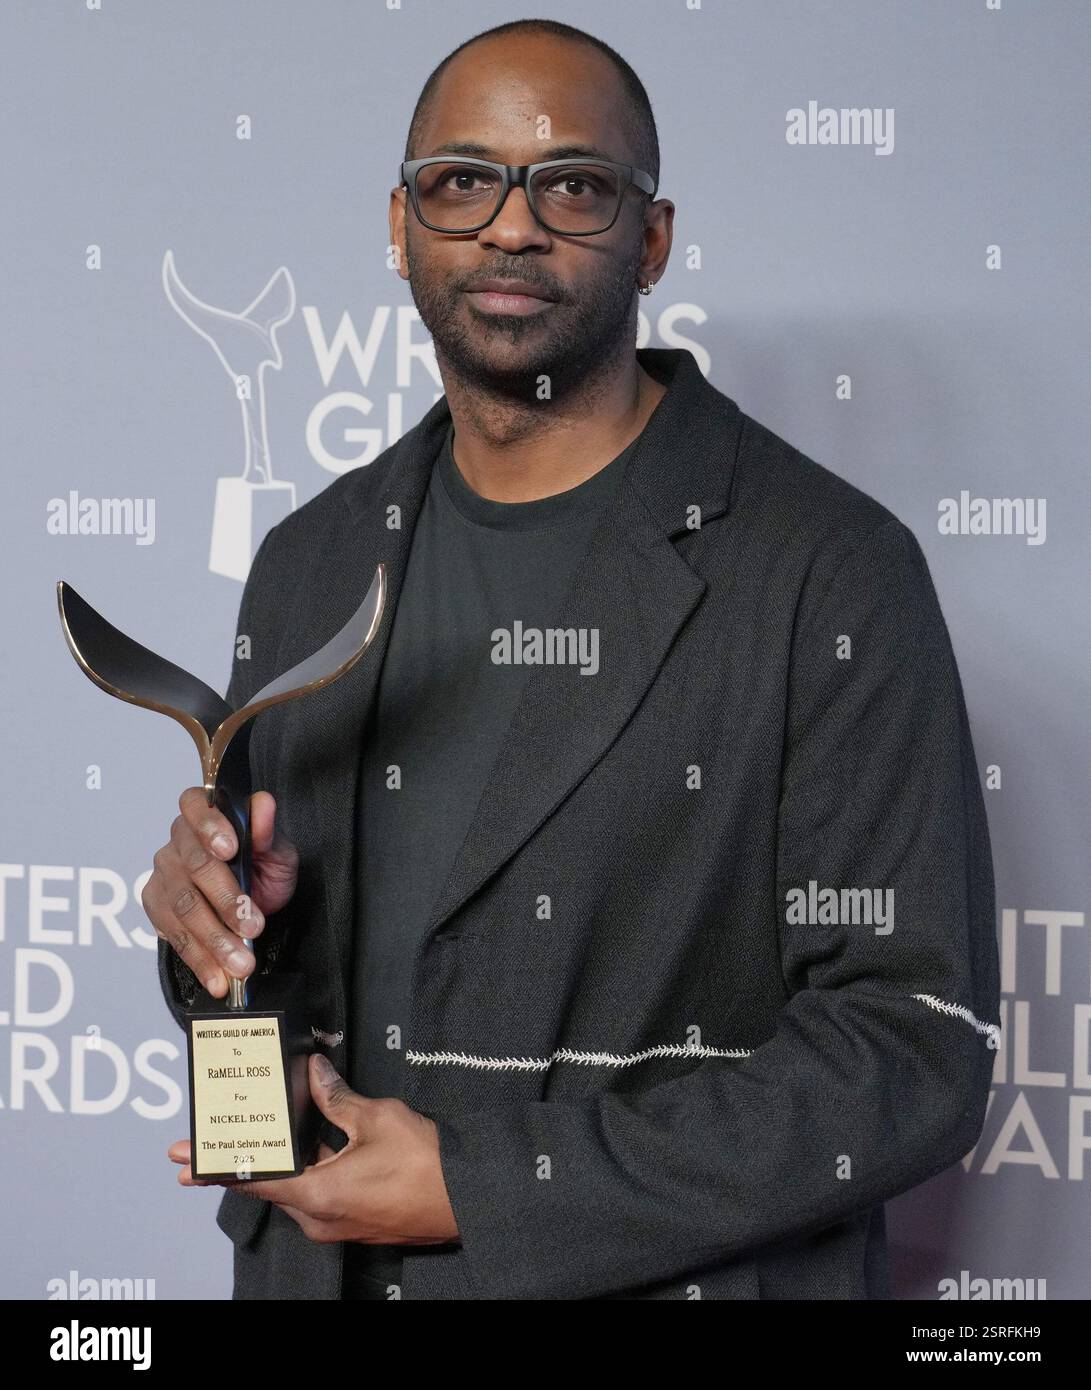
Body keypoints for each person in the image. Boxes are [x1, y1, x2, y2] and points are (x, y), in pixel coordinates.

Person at [143, 19, 1001, 1301]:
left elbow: (907, 1050)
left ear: (650, 239)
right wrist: (215, 932)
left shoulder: (828, 570)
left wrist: (483, 1189)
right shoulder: (309, 560)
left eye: (574, 186)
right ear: (400, 225)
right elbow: (299, 1000)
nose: (509, 227)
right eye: (461, 180)